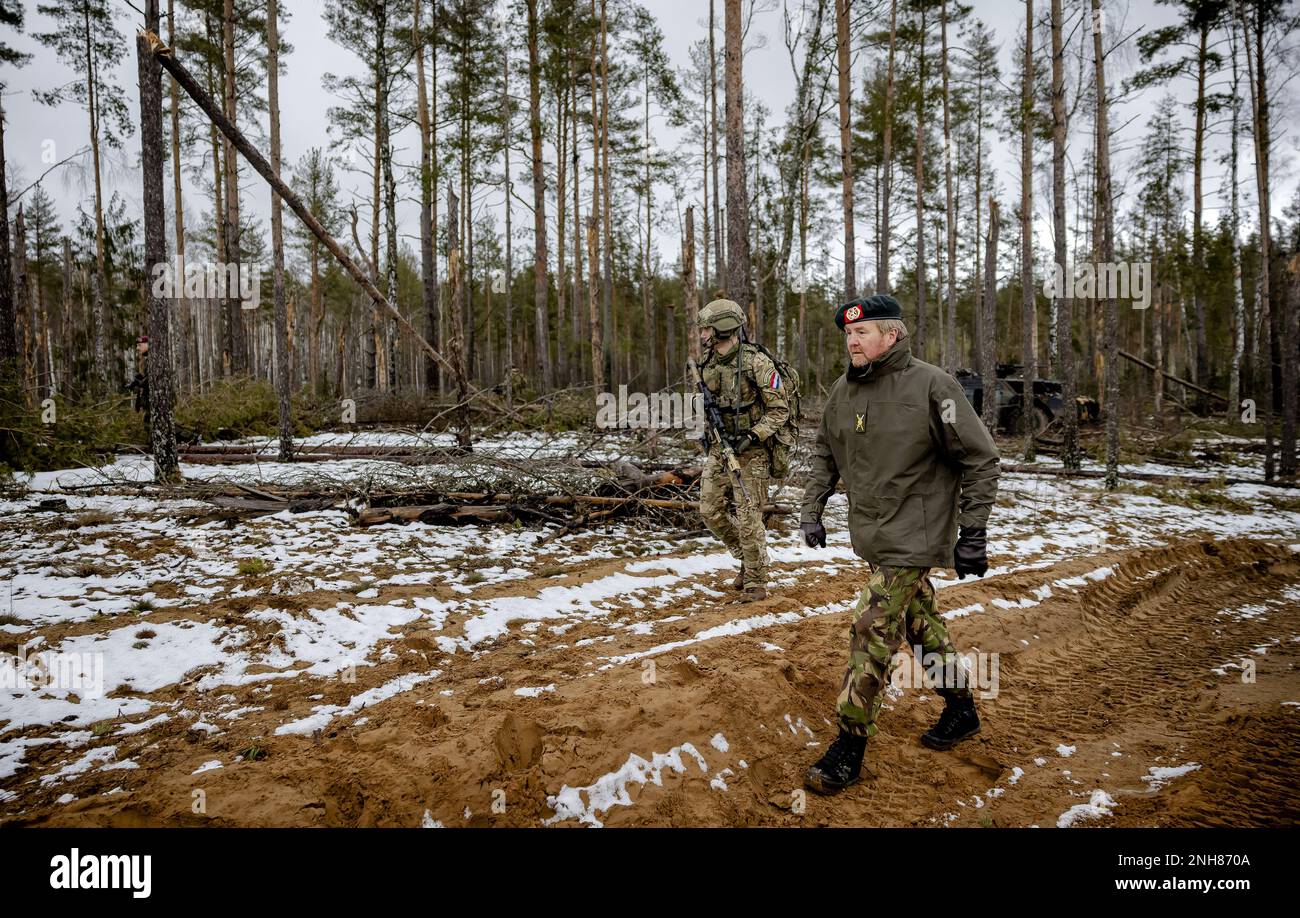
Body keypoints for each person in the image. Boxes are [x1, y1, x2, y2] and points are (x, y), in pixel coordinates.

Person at [799, 294, 1000, 795]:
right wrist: (811, 511)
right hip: (875, 534)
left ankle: (849, 747)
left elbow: (980, 456)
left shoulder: (933, 386)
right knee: (918, 621)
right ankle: (961, 710)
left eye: (862, 333)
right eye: (848, 334)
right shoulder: (843, 390)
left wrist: (973, 531)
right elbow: (826, 453)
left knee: (872, 625)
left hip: (916, 534)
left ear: (891, 335)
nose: (852, 341)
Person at [694, 297, 790, 602]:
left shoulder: (756, 363)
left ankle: (756, 581)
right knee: (709, 510)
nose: (702, 334)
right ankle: (748, 560)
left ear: (722, 328)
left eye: (706, 328)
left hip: (753, 450)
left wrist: (752, 436)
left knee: (749, 516)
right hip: (721, 448)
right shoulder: (707, 363)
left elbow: (779, 410)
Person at [127, 335, 151, 434]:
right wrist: (138, 379)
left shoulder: (154, 359)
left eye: (140, 345)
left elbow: (150, 380)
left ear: (148, 344)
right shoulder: (147, 360)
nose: (137, 348)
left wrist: (138, 382)